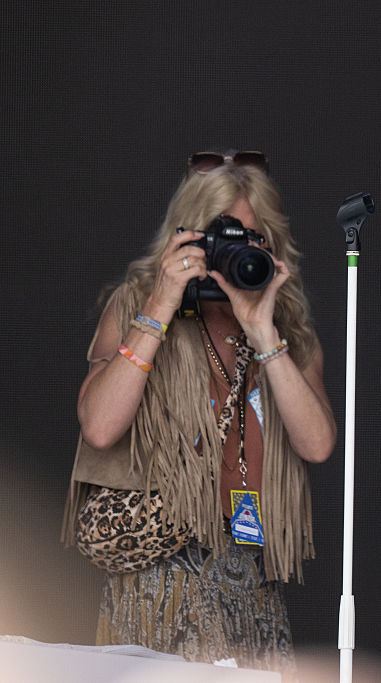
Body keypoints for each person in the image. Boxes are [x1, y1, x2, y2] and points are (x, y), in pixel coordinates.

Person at [62, 150, 336, 677]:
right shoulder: (136, 307)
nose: (233, 252)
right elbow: (98, 427)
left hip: (250, 593)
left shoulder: (290, 333)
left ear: (273, 247)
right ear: (184, 237)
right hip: (155, 596)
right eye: (218, 238)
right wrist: (162, 303)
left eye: (251, 239)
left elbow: (317, 444)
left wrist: (263, 333)